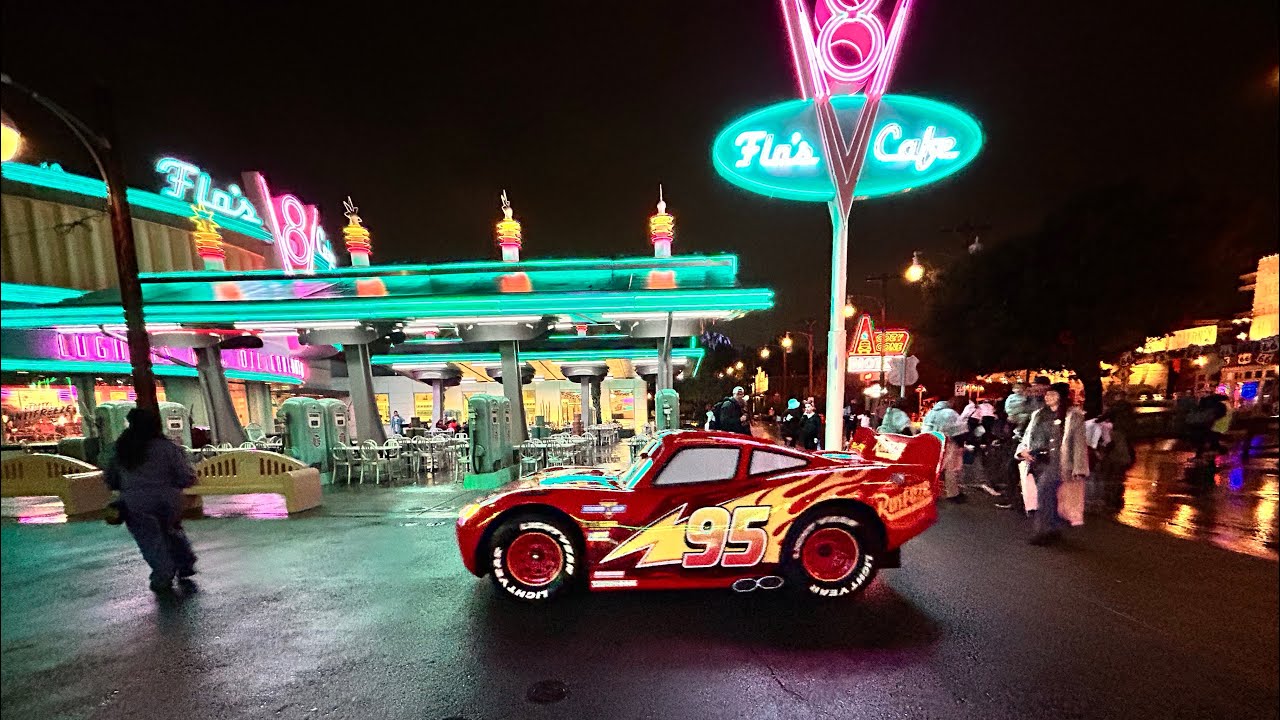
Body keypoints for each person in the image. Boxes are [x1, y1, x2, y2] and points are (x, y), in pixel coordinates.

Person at [105, 408, 198, 593]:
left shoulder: (121, 448)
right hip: (168, 499)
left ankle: (163, 573)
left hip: (135, 502)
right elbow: (185, 475)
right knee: (171, 530)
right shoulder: (167, 447)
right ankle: (185, 562)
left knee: (150, 539)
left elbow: (111, 478)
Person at [1017, 383, 1089, 545]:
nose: (1048, 397)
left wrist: (1079, 467)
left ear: (1062, 397)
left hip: (1058, 462)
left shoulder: (1073, 416)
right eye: (1047, 394)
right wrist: (1022, 451)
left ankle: (1043, 531)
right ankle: (1054, 527)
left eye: (1053, 394)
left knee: (1044, 493)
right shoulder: (1039, 414)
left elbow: (1079, 443)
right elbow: (1028, 435)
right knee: (1049, 496)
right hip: (1037, 461)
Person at [922, 396, 966, 502]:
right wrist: (961, 446)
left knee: (932, 469)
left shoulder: (930, 413)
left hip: (930, 442)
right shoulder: (950, 414)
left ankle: (929, 492)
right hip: (947, 442)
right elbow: (959, 432)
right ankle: (953, 494)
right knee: (950, 469)